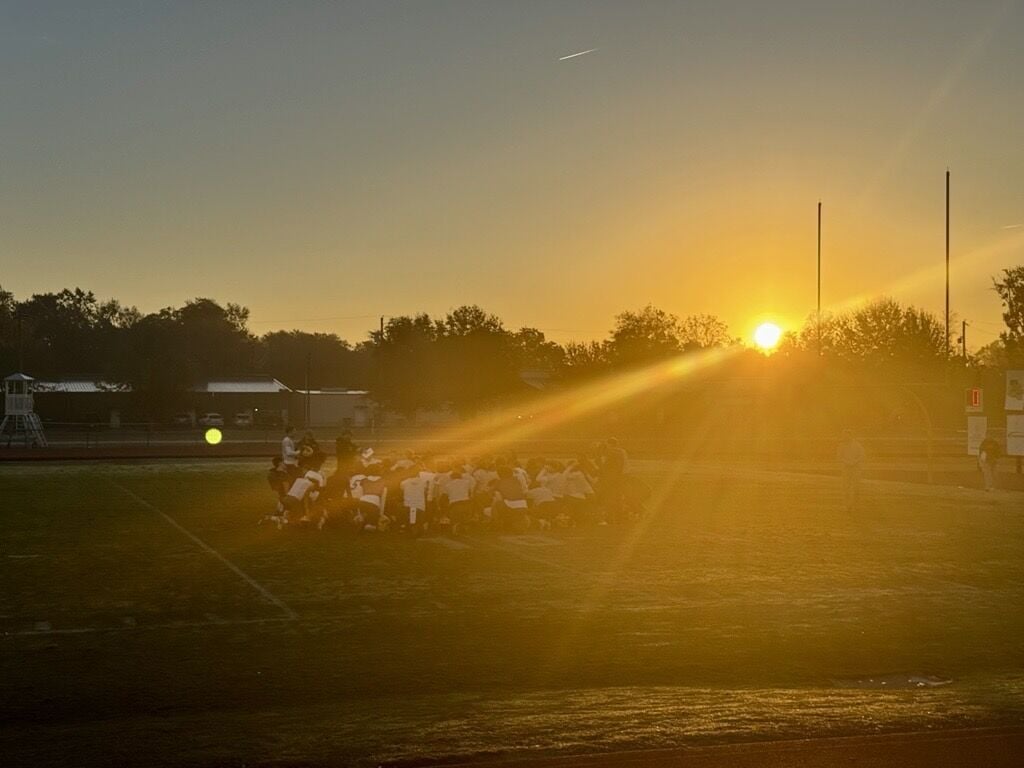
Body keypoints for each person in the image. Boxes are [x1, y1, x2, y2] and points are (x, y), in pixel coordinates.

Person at [837, 430, 866, 511]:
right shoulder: (841, 445)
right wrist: (846, 462)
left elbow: (862, 455)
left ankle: (855, 505)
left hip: (855, 468)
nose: (845, 437)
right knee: (846, 487)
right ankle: (847, 505)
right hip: (846, 468)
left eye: (847, 435)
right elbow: (839, 456)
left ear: (851, 435)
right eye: (844, 435)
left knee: (856, 486)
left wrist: (854, 462)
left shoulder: (857, 445)